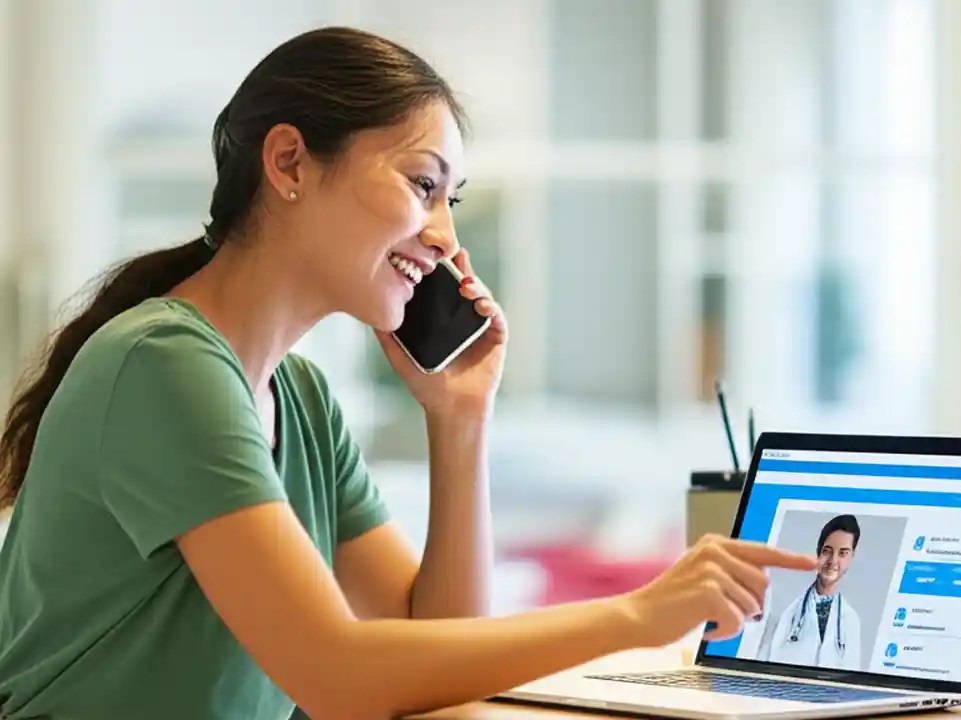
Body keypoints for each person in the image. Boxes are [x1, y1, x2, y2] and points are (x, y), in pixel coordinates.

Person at [0, 27, 816, 720]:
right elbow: (339, 676)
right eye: (423, 185)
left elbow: (435, 670)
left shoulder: (301, 401)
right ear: (288, 162)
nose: (446, 237)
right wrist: (640, 614)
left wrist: (459, 422)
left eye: (453, 199)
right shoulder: (163, 364)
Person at [745, 514, 863, 671]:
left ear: (851, 557)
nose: (833, 561)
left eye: (843, 553)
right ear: (818, 552)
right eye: (827, 551)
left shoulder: (851, 620)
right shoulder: (785, 611)